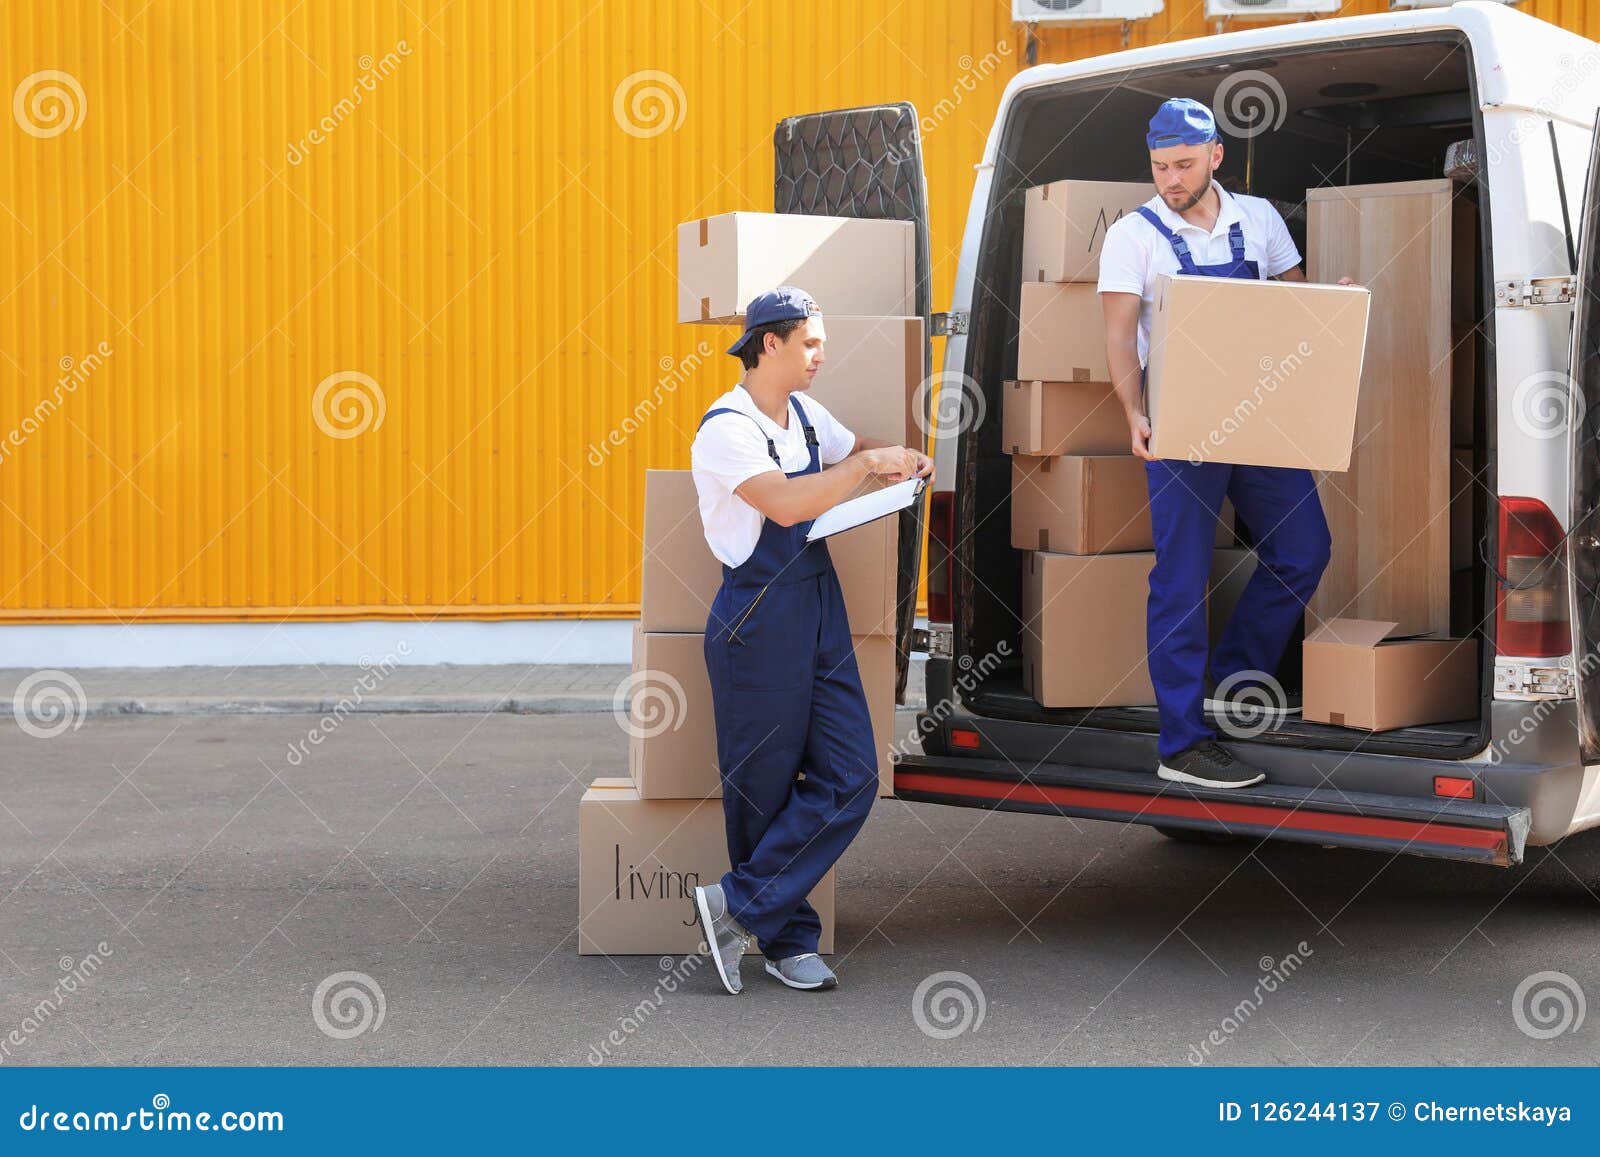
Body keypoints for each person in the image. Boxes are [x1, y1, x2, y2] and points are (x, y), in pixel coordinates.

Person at [1097, 97, 1353, 790]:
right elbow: (1118, 336)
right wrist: (1133, 413)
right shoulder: (1133, 236)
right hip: (1179, 422)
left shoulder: (1259, 219)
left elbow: (1294, 306)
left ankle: (1233, 678)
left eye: (1184, 164)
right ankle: (1182, 743)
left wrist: (1333, 304)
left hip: (1259, 415)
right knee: (1181, 576)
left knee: (1303, 549)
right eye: (1159, 167)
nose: (1171, 180)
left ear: (1216, 155)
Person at [687, 286, 933, 993]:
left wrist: (899, 458)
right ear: (771, 344)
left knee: (853, 773)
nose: (821, 355)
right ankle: (788, 941)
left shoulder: (804, 414)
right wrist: (862, 469)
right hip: (757, 619)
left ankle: (735, 905)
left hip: (818, 606)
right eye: (811, 343)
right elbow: (789, 503)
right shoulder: (725, 429)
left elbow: (857, 451)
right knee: (763, 788)